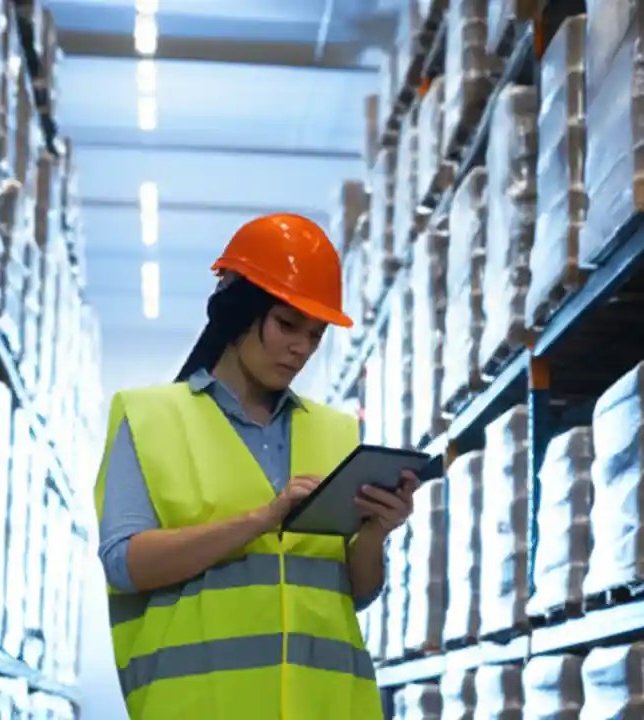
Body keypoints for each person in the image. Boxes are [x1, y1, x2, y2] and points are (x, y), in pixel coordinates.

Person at [95, 213, 415, 719]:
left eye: (315, 335)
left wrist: (376, 532)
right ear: (238, 312)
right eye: (287, 324)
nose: (301, 348)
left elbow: (352, 593)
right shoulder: (150, 418)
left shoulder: (336, 433)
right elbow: (125, 563)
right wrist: (264, 519)